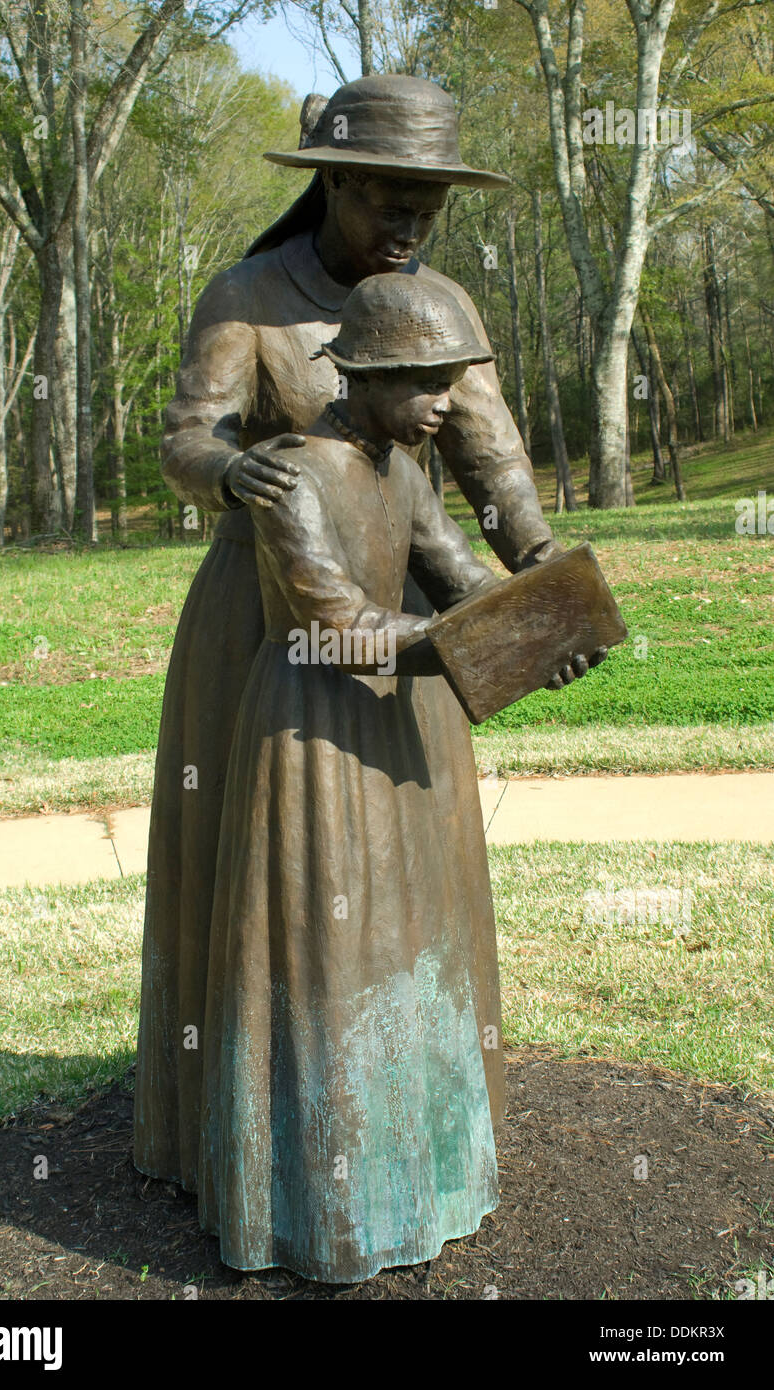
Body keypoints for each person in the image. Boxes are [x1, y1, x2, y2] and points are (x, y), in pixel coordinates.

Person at [134, 75, 600, 1197]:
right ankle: (242, 1125)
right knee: (263, 888)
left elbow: (485, 469)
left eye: (427, 208)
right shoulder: (248, 294)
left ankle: (406, 1109)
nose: (409, 227)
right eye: (390, 201)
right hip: (261, 620)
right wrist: (230, 472)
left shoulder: (434, 306)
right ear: (334, 181)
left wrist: (540, 584)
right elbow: (184, 438)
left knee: (404, 877)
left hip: (401, 620)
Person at [201, 274, 507, 1283]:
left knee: (403, 940)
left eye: (451, 385)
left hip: (391, 719)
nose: (443, 406)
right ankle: (318, 1205)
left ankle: (417, 1175)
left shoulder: (403, 466)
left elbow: (454, 568)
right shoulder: (291, 475)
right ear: (369, 376)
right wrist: (463, 639)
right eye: (426, 385)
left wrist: (536, 613)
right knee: (325, 957)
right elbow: (328, 625)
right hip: (309, 731)